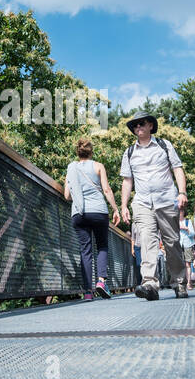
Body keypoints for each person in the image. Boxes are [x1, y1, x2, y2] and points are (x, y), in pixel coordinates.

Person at [119, 111, 188, 301]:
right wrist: (124, 205)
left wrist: (182, 192)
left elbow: (177, 169)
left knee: (172, 243)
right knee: (147, 243)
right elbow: (127, 181)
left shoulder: (164, 145)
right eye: (134, 125)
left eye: (141, 124)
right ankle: (150, 284)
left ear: (150, 125)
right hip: (142, 203)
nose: (137, 127)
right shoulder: (129, 152)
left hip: (166, 200)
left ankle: (179, 283)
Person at [64, 136, 120, 300]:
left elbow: (67, 195)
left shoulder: (71, 169)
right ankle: (101, 281)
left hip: (79, 214)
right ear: (91, 151)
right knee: (102, 245)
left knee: (85, 250)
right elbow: (107, 190)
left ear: (78, 152)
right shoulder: (98, 166)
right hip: (98, 211)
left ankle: (88, 292)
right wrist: (115, 209)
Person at [179, 214, 195, 287]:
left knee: (188, 264)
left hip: (188, 244)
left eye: (181, 211)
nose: (180, 213)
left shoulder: (188, 221)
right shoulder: (174, 221)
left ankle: (188, 283)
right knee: (179, 265)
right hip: (178, 245)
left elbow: (193, 234)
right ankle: (181, 283)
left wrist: (186, 229)